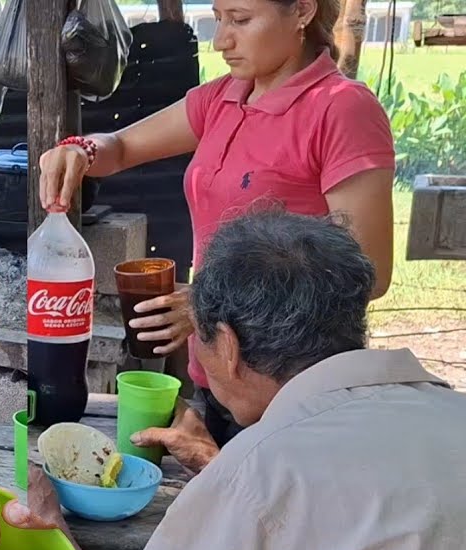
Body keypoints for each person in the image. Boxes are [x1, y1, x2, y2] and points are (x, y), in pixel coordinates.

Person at [6, 211, 466, 550]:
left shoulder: (265, 473)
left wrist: (54, 533)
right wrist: (222, 466)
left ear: (226, 345)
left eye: (196, 336)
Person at [38, 0, 395, 445]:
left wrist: (210, 301)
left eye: (241, 20)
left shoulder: (341, 109)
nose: (221, 39)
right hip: (221, 376)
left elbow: (370, 272)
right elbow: (121, 147)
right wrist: (80, 150)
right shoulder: (223, 97)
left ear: (302, 10)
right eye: (220, 17)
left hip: (290, 389)